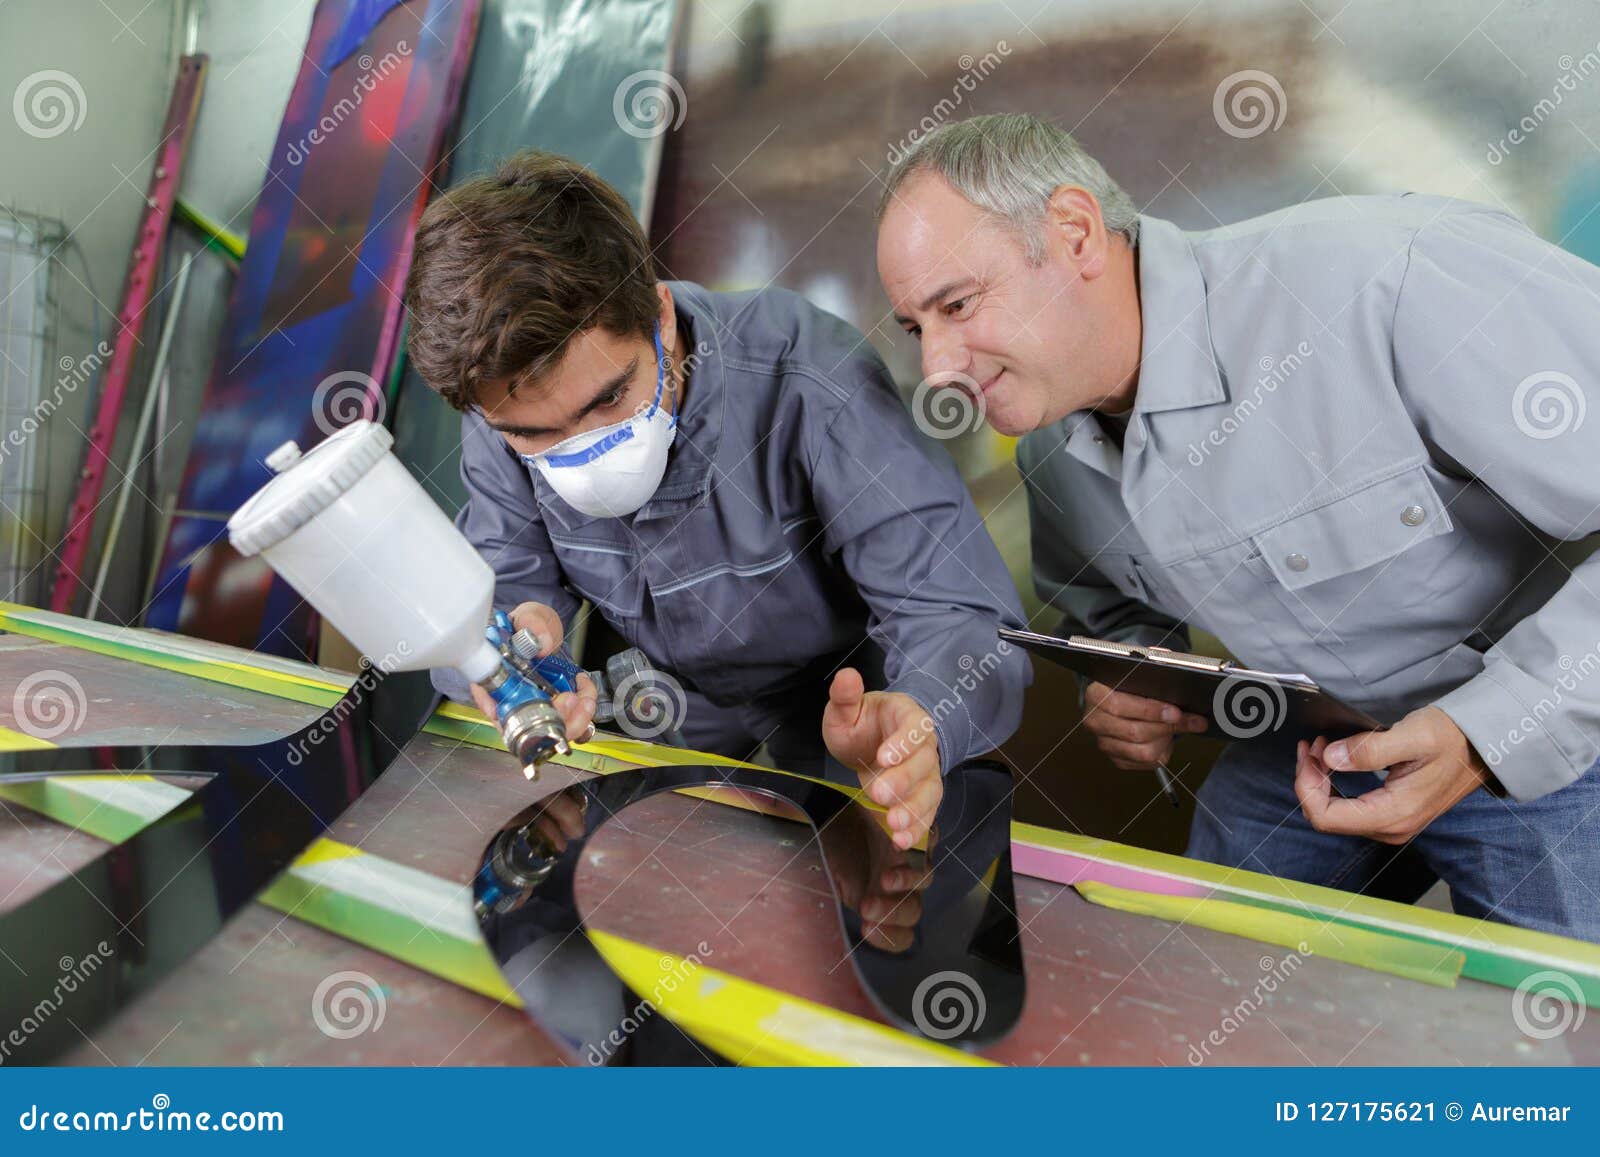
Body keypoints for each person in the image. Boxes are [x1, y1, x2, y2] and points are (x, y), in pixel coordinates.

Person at [875, 112, 1600, 939]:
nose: (937, 367)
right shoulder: (1050, 444)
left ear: (1074, 233)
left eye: (958, 304)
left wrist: (1485, 735)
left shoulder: (1393, 280)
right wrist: (1127, 685)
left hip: (1559, 722)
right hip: (1313, 746)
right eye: (915, 327)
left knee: (1557, 1040)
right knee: (1207, 991)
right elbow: (1110, 613)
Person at [403, 150, 1030, 848]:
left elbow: (955, 612)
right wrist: (512, 649)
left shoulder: (808, 376)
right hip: (675, 708)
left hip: (858, 704)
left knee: (874, 904)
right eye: (538, 435)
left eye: (609, 397)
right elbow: (495, 595)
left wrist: (926, 720)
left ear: (661, 319)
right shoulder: (500, 404)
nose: (586, 449)